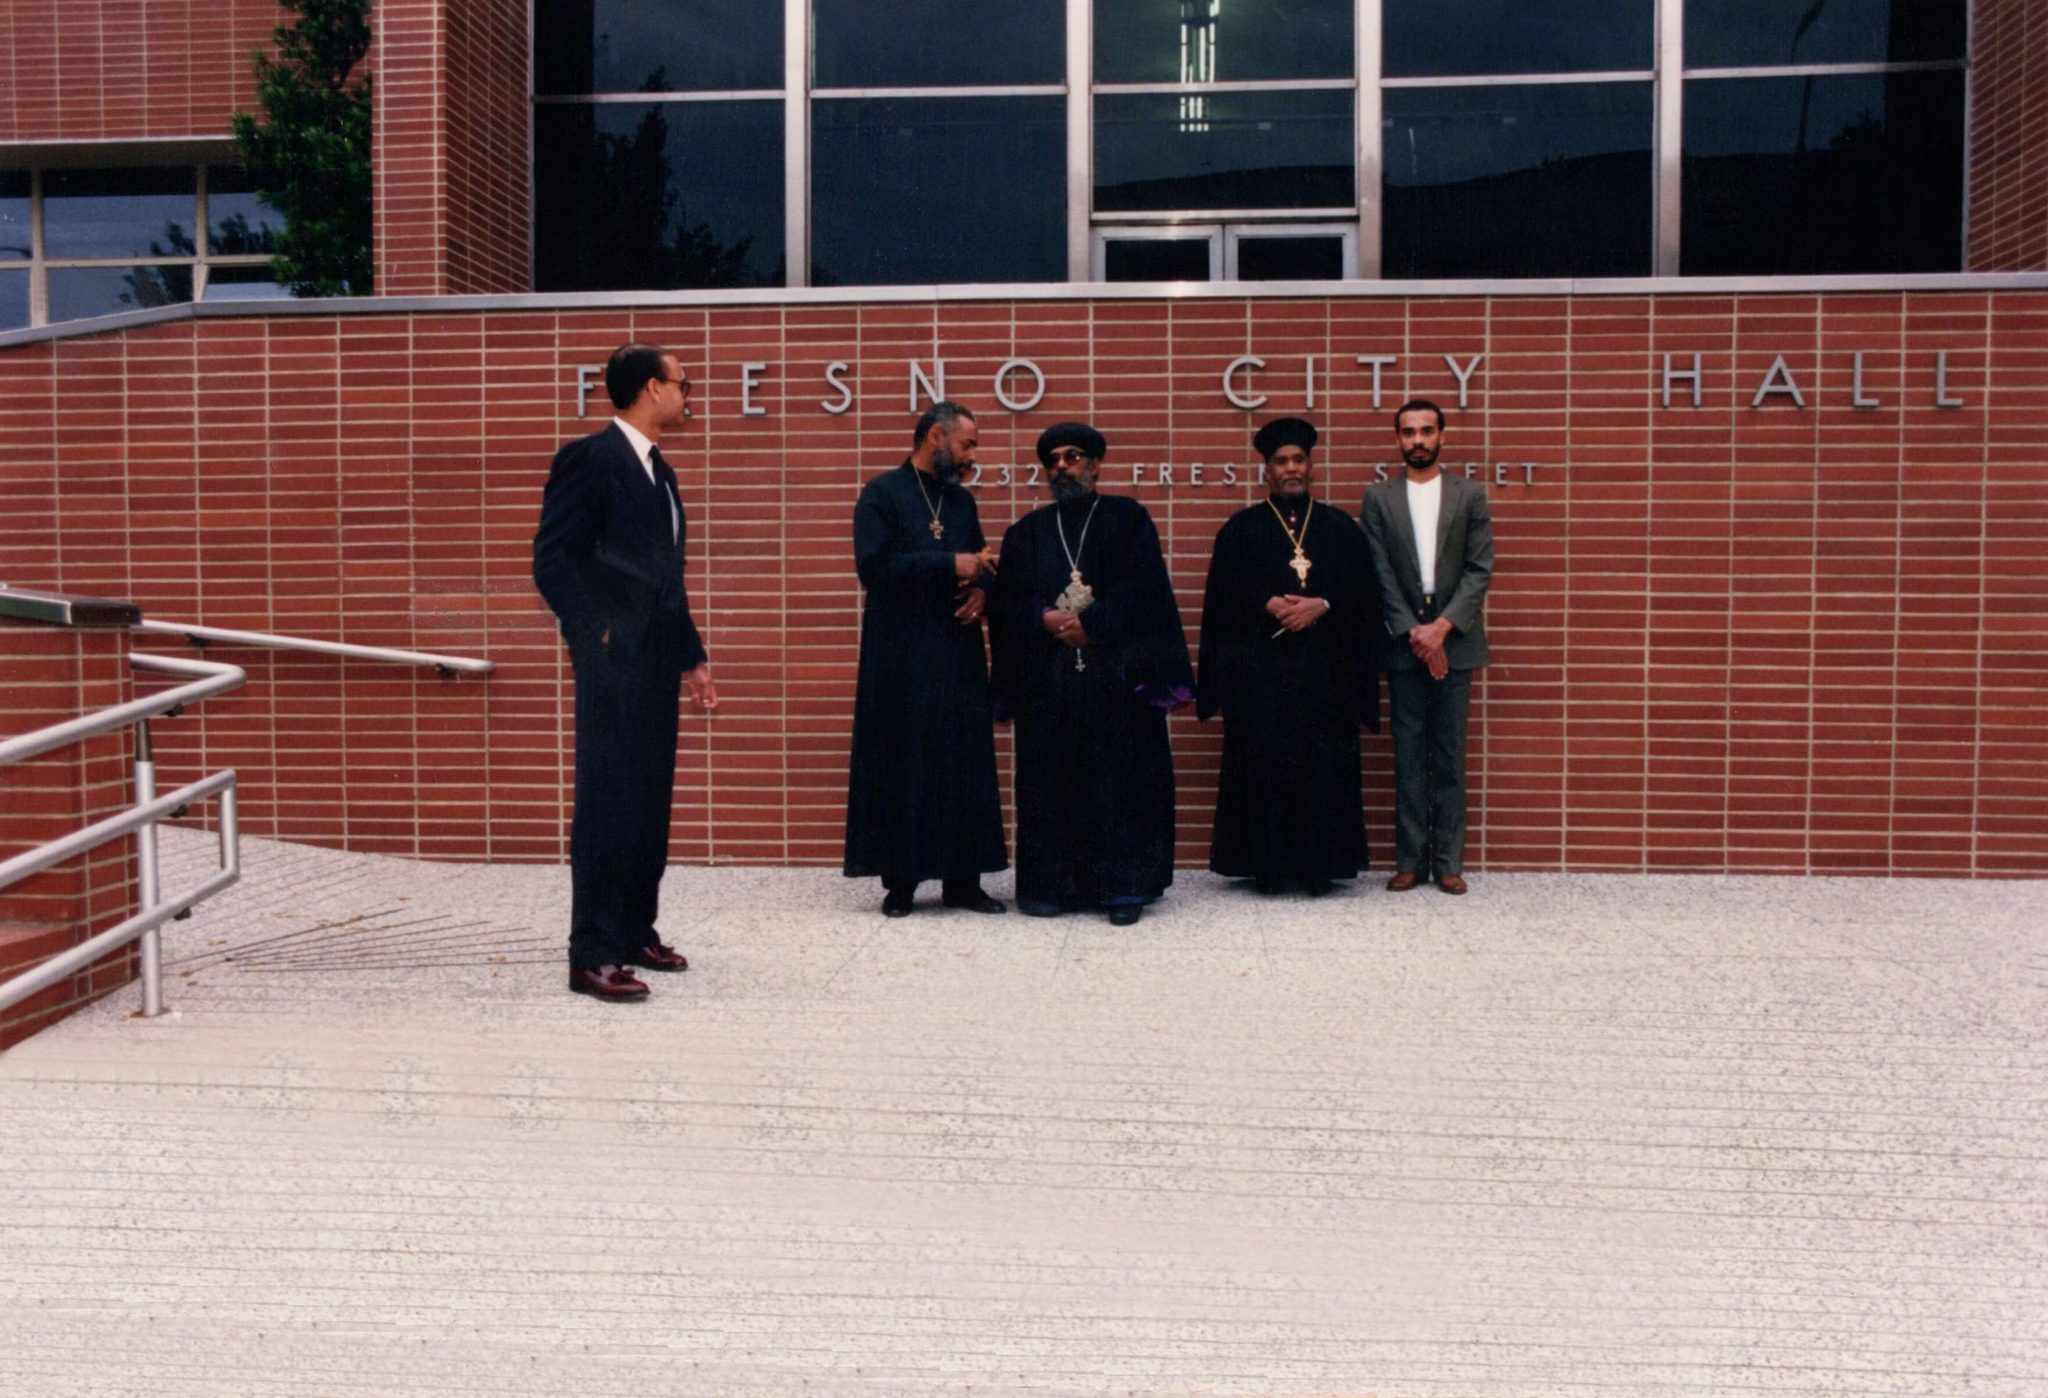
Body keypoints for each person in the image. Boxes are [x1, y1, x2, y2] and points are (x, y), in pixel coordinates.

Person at [533, 343, 717, 1002]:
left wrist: (692, 659)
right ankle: (591, 952)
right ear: (649, 387)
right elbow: (551, 561)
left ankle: (636, 929)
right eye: (682, 383)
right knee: (607, 803)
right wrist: (594, 637)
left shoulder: (661, 473)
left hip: (657, 664)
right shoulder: (589, 459)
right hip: (611, 665)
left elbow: (670, 583)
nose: (688, 394)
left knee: (648, 799)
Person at [988, 423, 1193, 926]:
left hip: (1118, 679)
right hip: (1049, 682)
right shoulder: (1026, 532)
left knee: (1120, 783)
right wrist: (1042, 618)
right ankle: (1051, 886)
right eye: (1052, 460)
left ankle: (1124, 889)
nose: (1062, 466)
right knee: (1049, 784)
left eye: (1073, 456)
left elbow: (1143, 588)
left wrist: (1092, 625)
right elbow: (1007, 600)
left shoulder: (1127, 519)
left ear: (1096, 464)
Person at [1196, 417, 1378, 895]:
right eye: (1281, 462)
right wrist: (1267, 603)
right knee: (1265, 767)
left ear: (1312, 467)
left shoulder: (1341, 527)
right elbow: (1219, 599)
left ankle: (1321, 868)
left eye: (1299, 460)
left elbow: (1366, 595)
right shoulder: (1241, 529)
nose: (1291, 468)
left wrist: (1325, 604)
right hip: (1261, 679)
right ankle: (1269, 869)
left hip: (1326, 677)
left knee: (1322, 768)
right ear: (1266, 472)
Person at [843, 402, 1008, 917]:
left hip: (956, 651)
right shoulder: (881, 494)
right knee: (903, 760)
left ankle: (965, 880)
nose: (971, 455)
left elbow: (979, 563)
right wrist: (947, 564)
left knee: (964, 761)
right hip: (900, 653)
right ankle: (902, 882)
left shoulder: (960, 501)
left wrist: (982, 588)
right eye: (967, 444)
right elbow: (874, 568)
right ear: (936, 436)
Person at [1360, 399, 1494, 896]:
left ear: (1443, 435)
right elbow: (1379, 572)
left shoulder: (1469, 494)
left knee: (1449, 754)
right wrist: (1415, 632)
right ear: (1397, 439)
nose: (1418, 440)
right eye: (1408, 432)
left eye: (1426, 431)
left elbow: (1480, 569)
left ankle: (1448, 861)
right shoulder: (1378, 498)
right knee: (1408, 753)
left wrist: (1442, 628)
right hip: (1403, 644)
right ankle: (1410, 859)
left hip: (1456, 643)